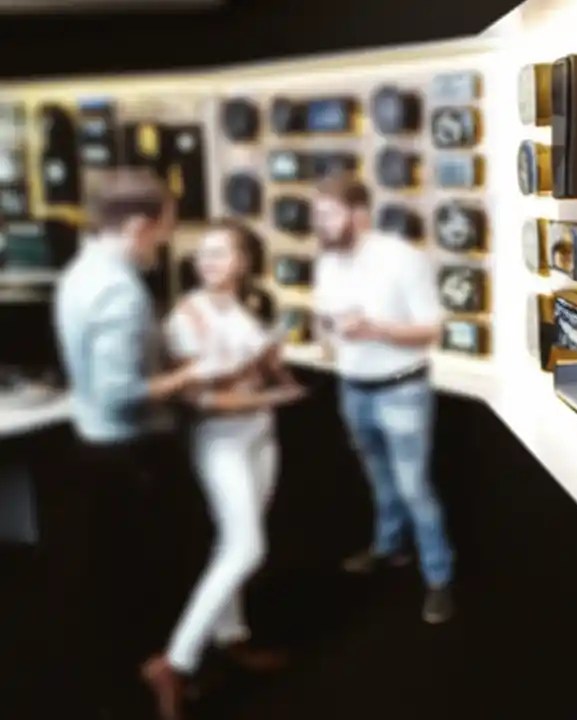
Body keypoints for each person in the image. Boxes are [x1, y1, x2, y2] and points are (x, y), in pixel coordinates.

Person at [140, 221, 306, 720]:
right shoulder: (186, 317)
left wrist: (274, 366)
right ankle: (174, 661)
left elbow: (257, 368)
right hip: (221, 444)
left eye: (219, 253)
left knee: (232, 542)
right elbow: (203, 399)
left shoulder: (245, 306)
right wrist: (276, 393)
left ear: (243, 262)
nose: (207, 261)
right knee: (246, 547)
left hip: (260, 436)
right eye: (203, 253)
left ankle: (231, 637)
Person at [52, 168, 202, 718]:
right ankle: (161, 677)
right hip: (132, 452)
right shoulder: (119, 291)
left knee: (118, 575)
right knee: (154, 573)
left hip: (94, 447)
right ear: (139, 225)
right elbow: (120, 395)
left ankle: (136, 674)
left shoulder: (78, 272)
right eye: (163, 230)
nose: (164, 242)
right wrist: (186, 378)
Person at [311, 173, 456, 624]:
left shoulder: (402, 259)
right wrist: (330, 331)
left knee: (414, 487)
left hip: (401, 389)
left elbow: (431, 330)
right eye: (317, 214)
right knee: (379, 477)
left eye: (328, 213)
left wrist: (374, 329)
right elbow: (322, 322)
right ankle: (390, 547)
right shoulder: (328, 262)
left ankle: (438, 578)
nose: (320, 222)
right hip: (353, 387)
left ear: (359, 213)